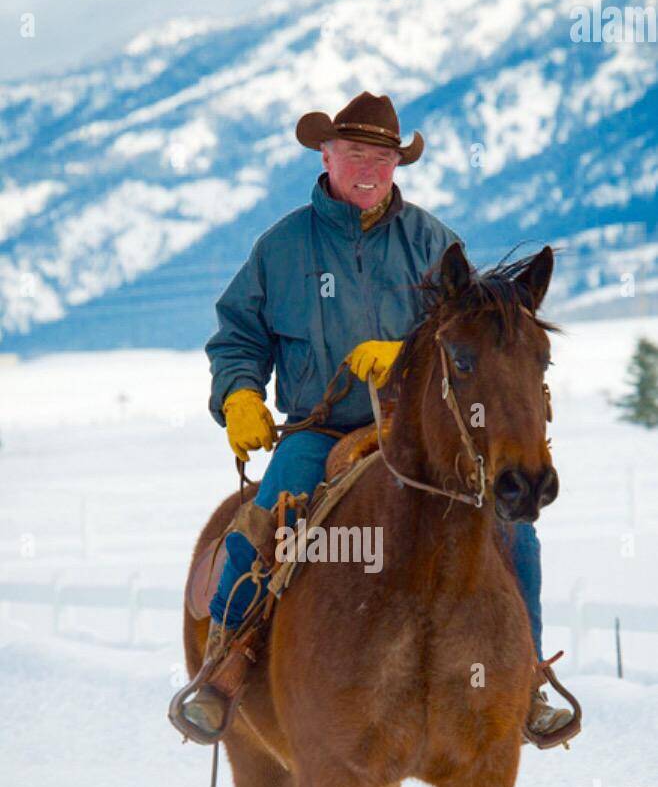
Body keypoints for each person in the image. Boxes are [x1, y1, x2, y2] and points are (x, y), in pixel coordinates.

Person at [177, 91, 572, 743]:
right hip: (321, 428)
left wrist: (404, 357)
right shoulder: (279, 249)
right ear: (326, 155)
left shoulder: (434, 243)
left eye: (383, 158)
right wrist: (240, 395)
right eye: (355, 153)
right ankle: (226, 664)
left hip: (424, 434)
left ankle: (525, 677)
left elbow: (470, 339)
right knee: (265, 522)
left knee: (514, 530)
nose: (369, 169)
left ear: (397, 166)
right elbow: (237, 338)